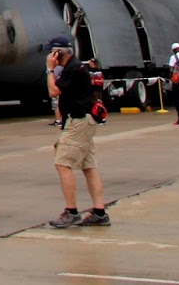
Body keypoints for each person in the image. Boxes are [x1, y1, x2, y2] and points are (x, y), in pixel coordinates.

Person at [46, 43, 109, 227]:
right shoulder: (75, 67)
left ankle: (71, 211)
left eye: (52, 52)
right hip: (85, 121)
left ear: (57, 53)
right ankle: (99, 212)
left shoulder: (72, 68)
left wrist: (49, 70)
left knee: (62, 163)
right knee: (88, 165)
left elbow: (53, 92)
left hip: (78, 122)